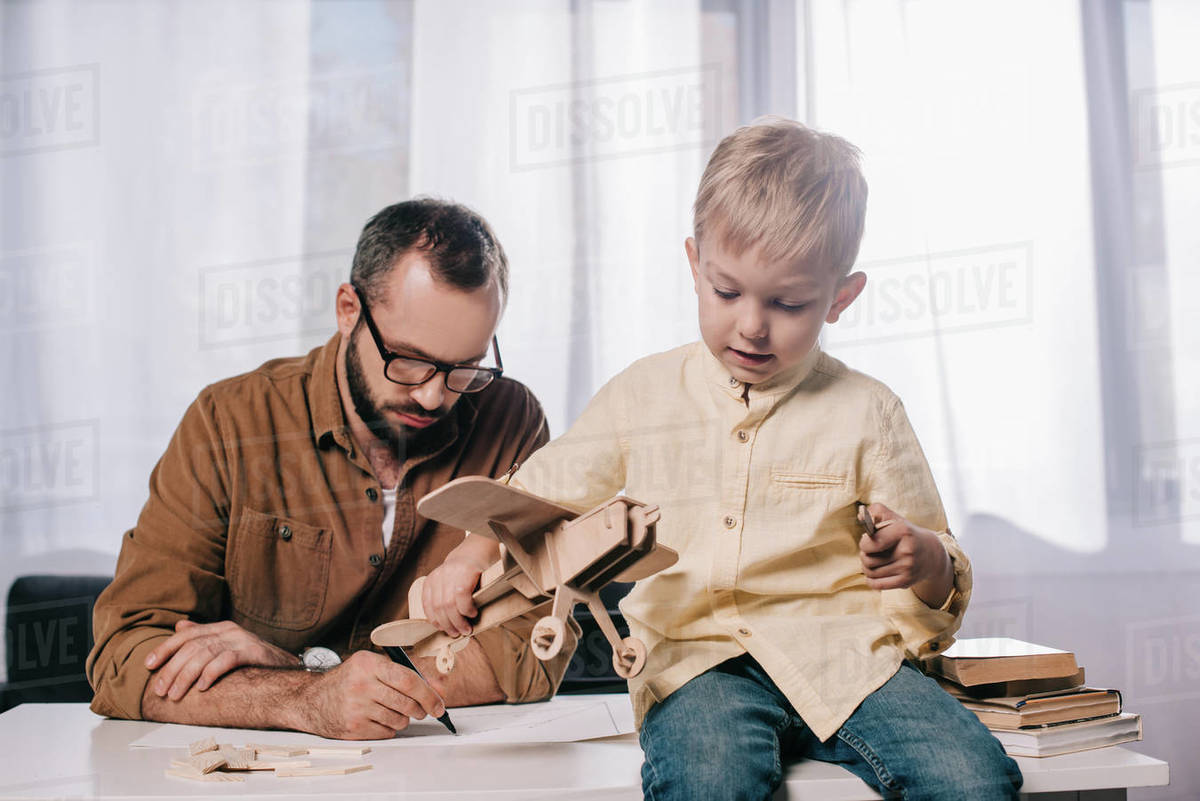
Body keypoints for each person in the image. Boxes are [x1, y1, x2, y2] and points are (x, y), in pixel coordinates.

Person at [422, 120, 1023, 798]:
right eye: (727, 291)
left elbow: (931, 556)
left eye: (789, 303)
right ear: (694, 263)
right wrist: (467, 558)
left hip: (848, 660)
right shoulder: (642, 393)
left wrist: (927, 561)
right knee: (707, 783)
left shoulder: (870, 411)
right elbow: (540, 494)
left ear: (841, 298)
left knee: (971, 776)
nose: (752, 324)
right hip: (696, 666)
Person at [86, 198, 577, 740]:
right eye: (409, 360)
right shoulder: (228, 423)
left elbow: (526, 655)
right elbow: (126, 660)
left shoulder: (511, 419)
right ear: (349, 310)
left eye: (465, 368)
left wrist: (302, 671)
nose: (435, 395)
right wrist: (305, 699)